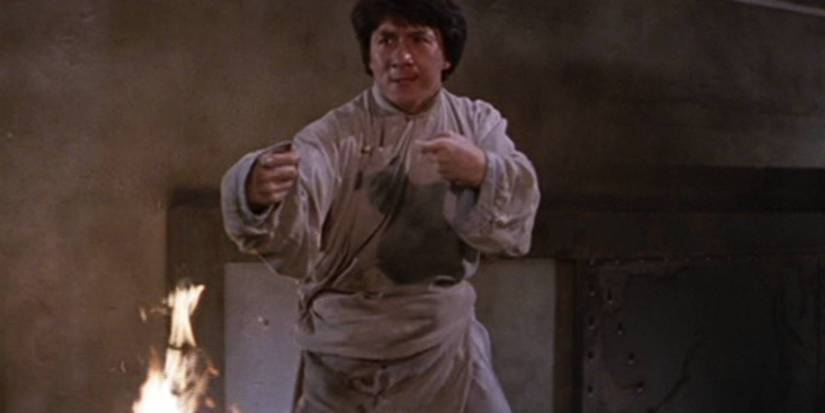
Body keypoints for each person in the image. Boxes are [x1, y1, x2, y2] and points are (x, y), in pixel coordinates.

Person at [221, 0, 540, 411]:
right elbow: (301, 188)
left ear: (446, 56)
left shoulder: (476, 123)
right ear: (369, 56)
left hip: (443, 345)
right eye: (387, 40)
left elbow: (518, 206)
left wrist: (481, 169)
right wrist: (254, 189)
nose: (401, 56)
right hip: (344, 355)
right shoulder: (334, 135)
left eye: (419, 39)